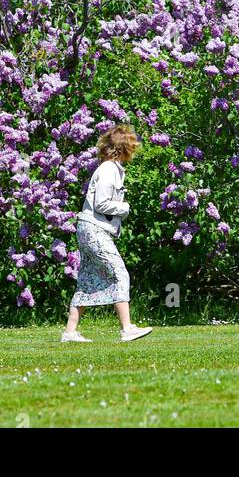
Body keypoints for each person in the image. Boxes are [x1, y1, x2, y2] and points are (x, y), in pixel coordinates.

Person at [61, 124, 154, 343]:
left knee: (86, 280)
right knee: (119, 273)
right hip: (94, 229)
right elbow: (101, 203)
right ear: (123, 148)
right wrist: (124, 208)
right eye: (132, 146)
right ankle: (127, 328)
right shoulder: (109, 170)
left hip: (88, 228)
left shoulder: (110, 168)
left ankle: (69, 332)